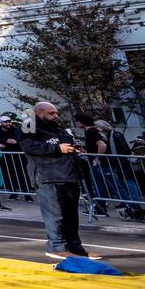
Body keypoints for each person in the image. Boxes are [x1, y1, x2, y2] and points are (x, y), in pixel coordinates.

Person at [19, 102, 91, 259]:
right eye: (51, 113)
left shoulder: (58, 128)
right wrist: (57, 149)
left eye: (56, 113)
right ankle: (56, 247)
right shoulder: (29, 125)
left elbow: (68, 144)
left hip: (69, 175)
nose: (56, 116)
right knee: (55, 215)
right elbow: (29, 147)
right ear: (39, 113)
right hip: (47, 177)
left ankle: (75, 247)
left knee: (71, 215)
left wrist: (74, 149)